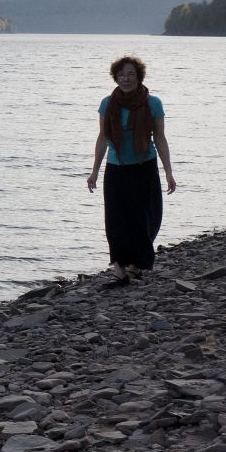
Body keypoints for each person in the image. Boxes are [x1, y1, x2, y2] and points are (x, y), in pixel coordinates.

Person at [86, 54, 175, 284]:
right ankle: (119, 268)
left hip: (144, 167)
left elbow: (160, 138)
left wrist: (169, 172)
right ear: (115, 77)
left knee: (146, 219)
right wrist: (94, 170)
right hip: (116, 169)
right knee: (115, 220)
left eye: (130, 74)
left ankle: (137, 264)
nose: (125, 79)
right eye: (121, 75)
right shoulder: (108, 103)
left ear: (139, 77)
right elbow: (103, 137)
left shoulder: (152, 103)